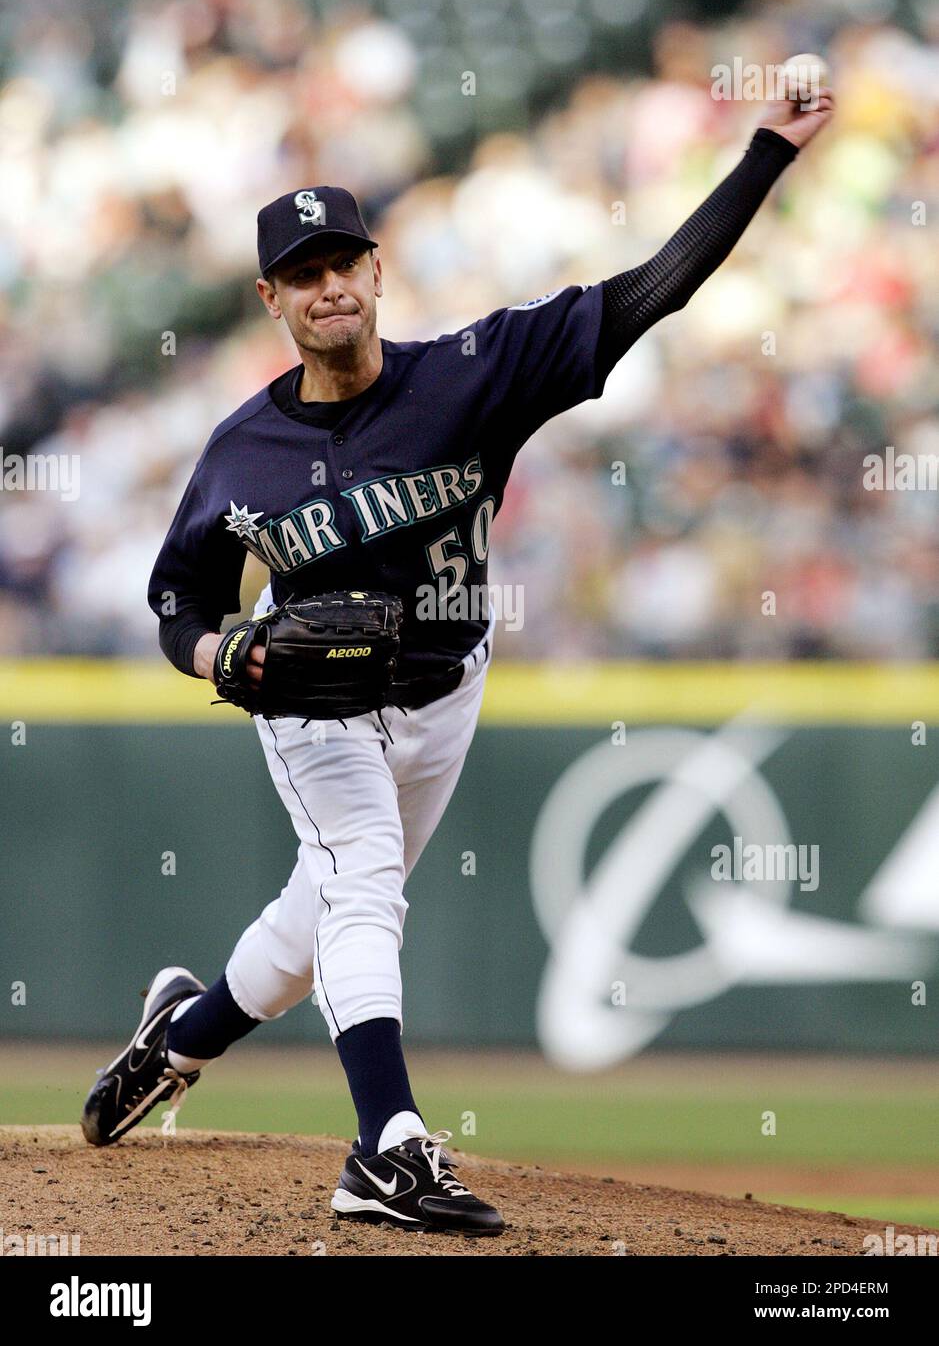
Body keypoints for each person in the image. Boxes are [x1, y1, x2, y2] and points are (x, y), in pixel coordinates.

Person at [80, 88, 834, 1235]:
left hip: (446, 686)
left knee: (312, 925)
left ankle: (177, 1034)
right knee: (366, 876)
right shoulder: (242, 452)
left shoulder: (474, 373)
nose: (330, 285)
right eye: (305, 270)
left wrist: (766, 152)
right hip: (313, 701)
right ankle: (386, 1146)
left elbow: (653, 290)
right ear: (270, 297)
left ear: (378, 271)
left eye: (346, 261)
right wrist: (218, 651)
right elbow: (176, 596)